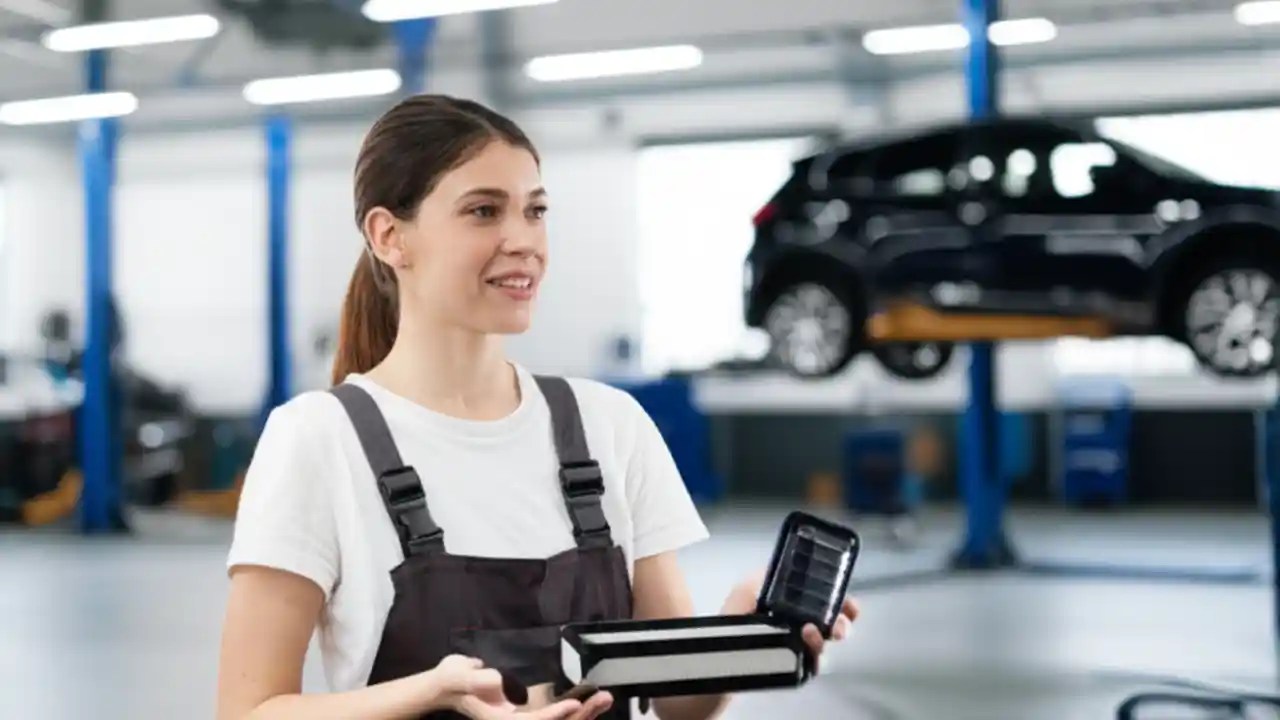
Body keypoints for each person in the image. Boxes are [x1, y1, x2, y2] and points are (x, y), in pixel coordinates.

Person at [216, 94, 858, 720]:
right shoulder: (317, 439)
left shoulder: (611, 426)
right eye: (484, 211)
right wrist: (428, 695)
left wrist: (738, 635)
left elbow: (675, 702)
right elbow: (247, 710)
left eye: (536, 210)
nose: (523, 240)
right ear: (390, 237)